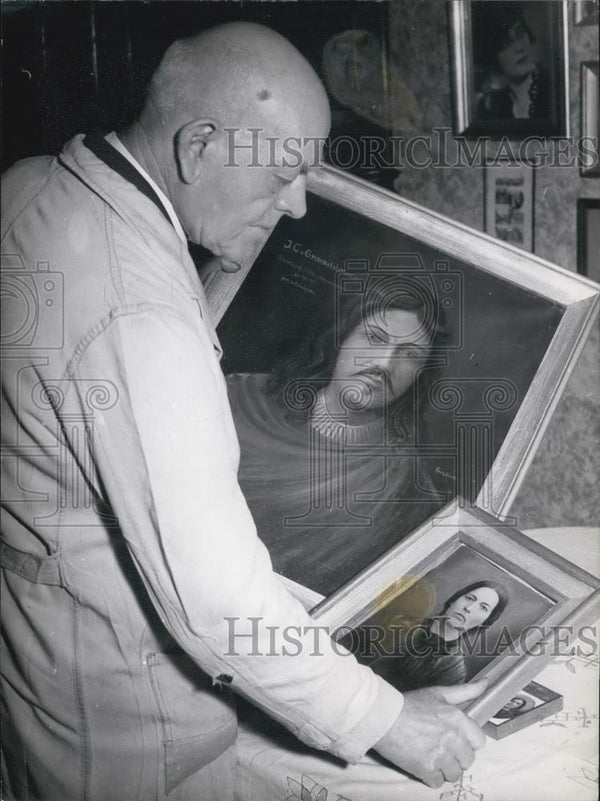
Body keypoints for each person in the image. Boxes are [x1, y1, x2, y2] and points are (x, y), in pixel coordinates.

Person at [1, 22, 487, 801]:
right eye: (284, 173)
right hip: (131, 737)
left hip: (41, 671)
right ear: (198, 148)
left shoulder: (33, 184)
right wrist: (392, 720)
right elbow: (220, 600)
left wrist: (212, 273)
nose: (297, 206)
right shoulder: (141, 318)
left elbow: (101, 368)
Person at [227, 279, 448, 596]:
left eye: (410, 355)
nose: (383, 364)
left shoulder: (411, 496)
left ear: (421, 376)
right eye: (374, 338)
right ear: (341, 336)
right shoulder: (238, 399)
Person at [371, 581, 509, 691]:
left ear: (486, 622)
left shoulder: (453, 670)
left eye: (483, 607)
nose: (469, 608)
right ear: (454, 600)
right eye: (469, 598)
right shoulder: (403, 623)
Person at [474, 5, 551, 122]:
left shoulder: (553, 88)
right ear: (492, 55)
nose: (519, 47)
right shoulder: (492, 107)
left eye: (520, 33)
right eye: (506, 43)